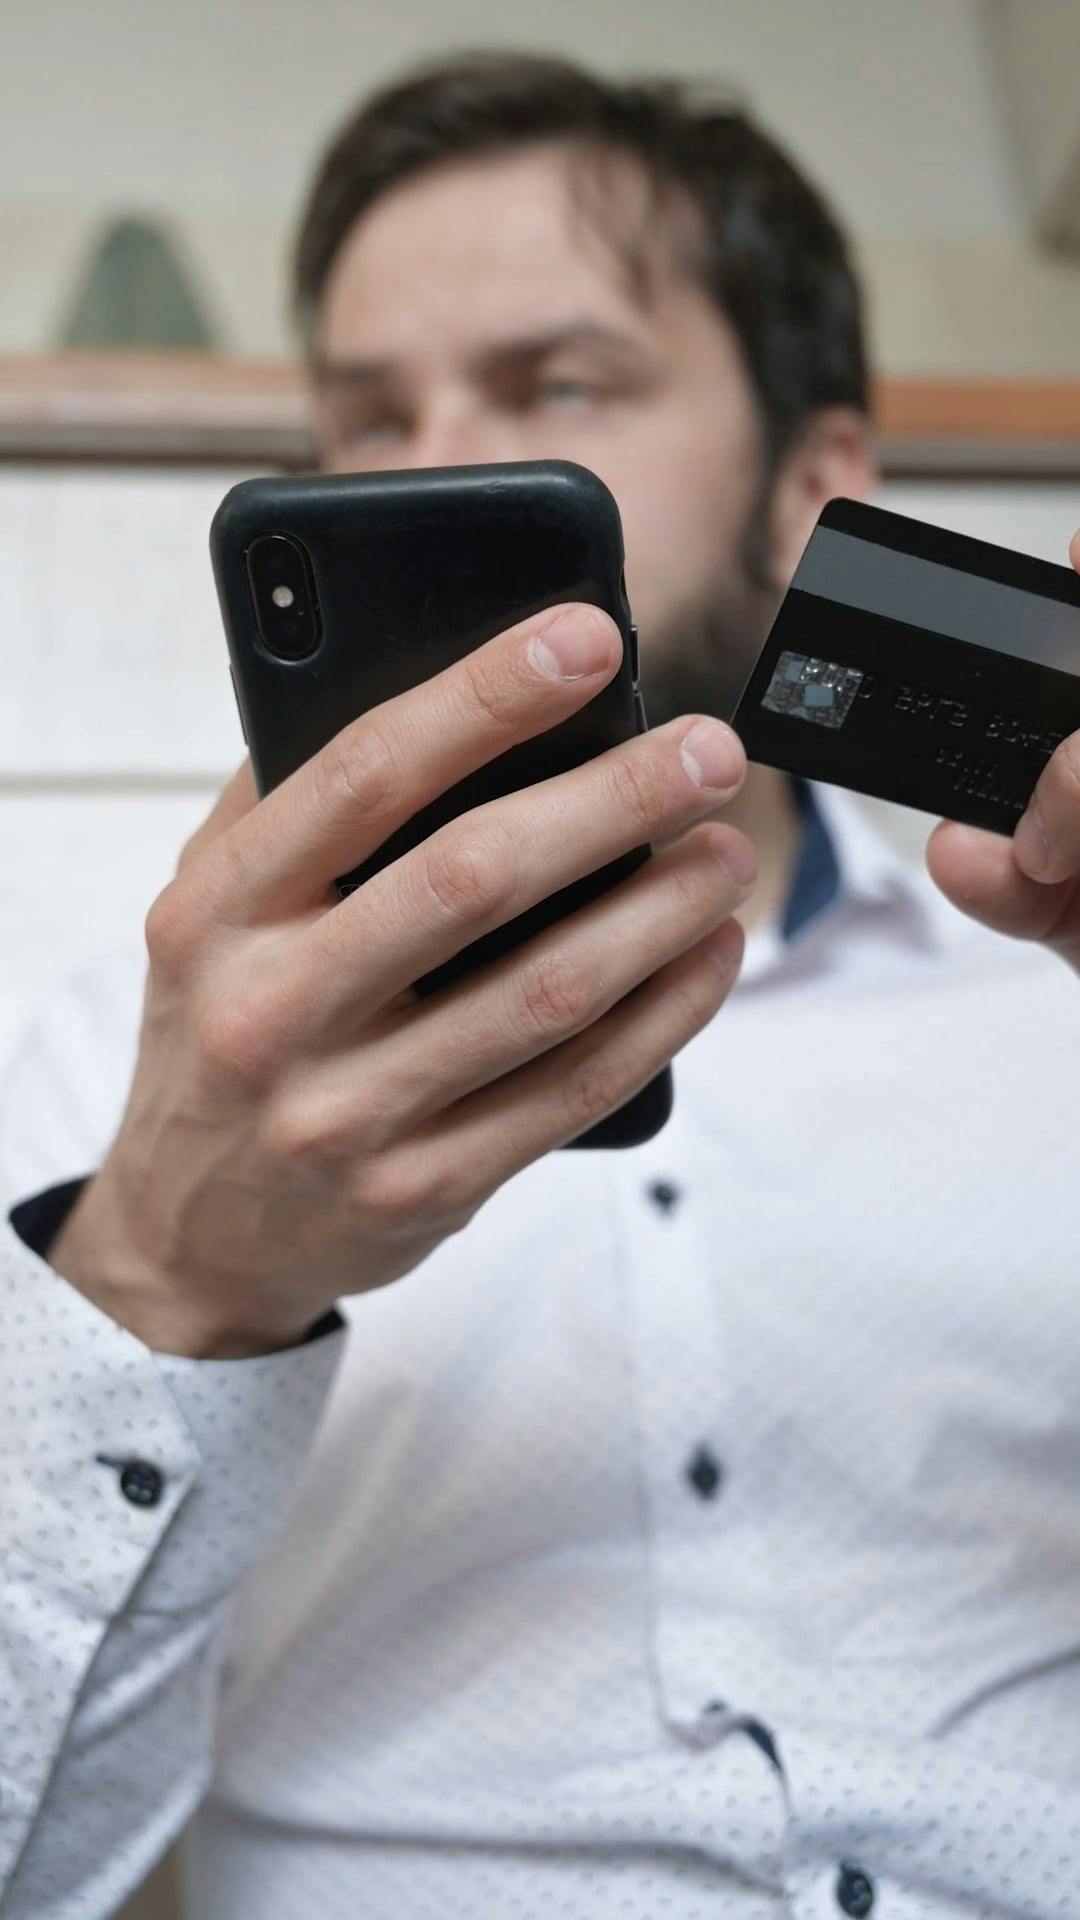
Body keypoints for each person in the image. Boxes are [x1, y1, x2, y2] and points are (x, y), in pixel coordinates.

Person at [2, 50, 1079, 1920]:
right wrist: (167, 1276)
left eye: (554, 386)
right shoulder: (110, 1073)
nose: (423, 465)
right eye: (367, 410)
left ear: (816, 482)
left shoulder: (1049, 1011)